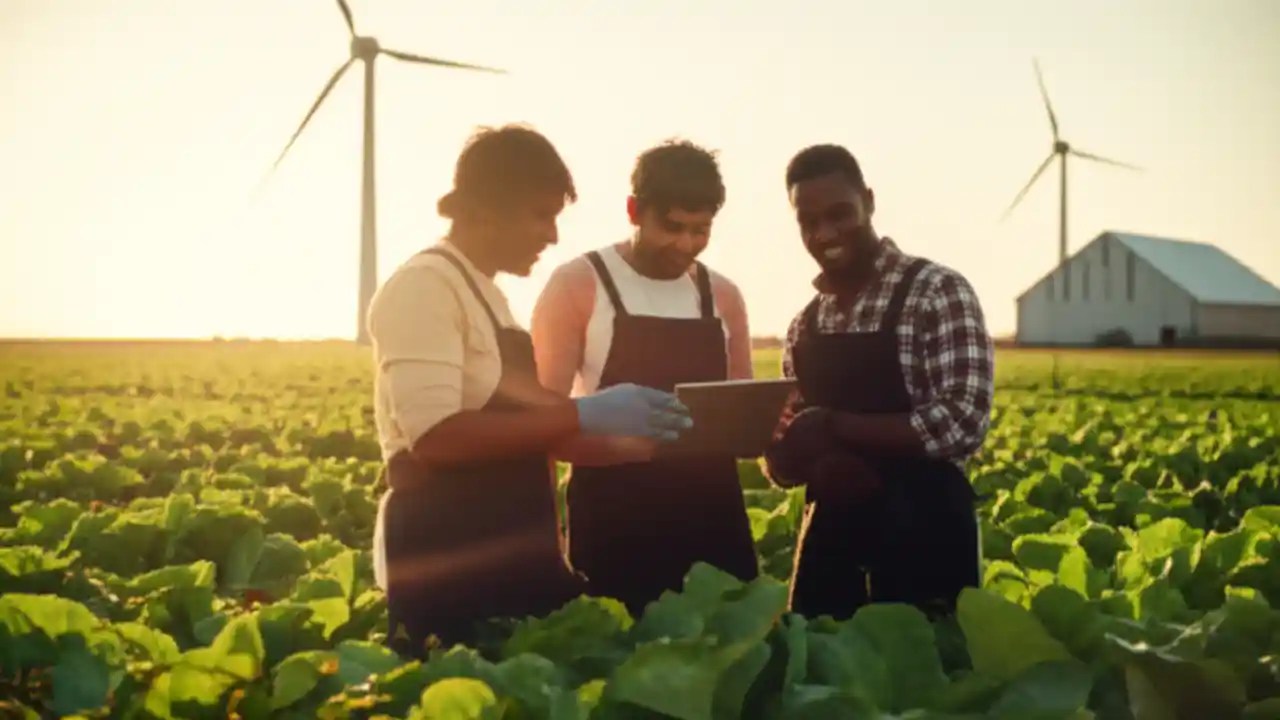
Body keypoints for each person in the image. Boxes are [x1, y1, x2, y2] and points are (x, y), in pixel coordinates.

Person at [366, 124, 694, 656]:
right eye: (541, 215)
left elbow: (524, 432)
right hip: (449, 567)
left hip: (509, 556)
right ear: (483, 211)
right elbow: (434, 438)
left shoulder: (486, 294)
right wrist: (584, 414)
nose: (553, 236)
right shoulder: (423, 287)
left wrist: (635, 439)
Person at [763, 143, 994, 622]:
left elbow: (961, 421)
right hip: (831, 545)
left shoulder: (936, 291)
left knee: (926, 678)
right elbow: (790, 445)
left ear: (869, 201)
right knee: (822, 679)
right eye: (809, 221)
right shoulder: (804, 324)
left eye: (840, 214)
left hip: (925, 536)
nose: (825, 233)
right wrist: (783, 453)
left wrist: (834, 427)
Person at [530, 139, 759, 616]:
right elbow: (541, 426)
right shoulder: (578, 284)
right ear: (635, 210)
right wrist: (549, 547)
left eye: (701, 230)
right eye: (672, 227)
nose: (686, 244)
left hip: (713, 519)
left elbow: (742, 418)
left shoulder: (723, 296)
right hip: (614, 522)